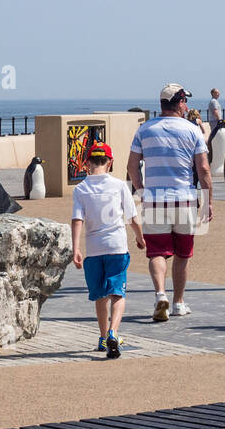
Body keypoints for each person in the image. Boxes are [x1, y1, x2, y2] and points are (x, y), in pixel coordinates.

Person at [127, 83, 212, 322]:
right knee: (183, 254)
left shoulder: (144, 130)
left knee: (157, 252)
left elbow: (131, 167)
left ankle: (159, 294)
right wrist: (208, 202)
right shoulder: (192, 130)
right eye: (186, 102)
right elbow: (203, 170)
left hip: (154, 200)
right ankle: (178, 303)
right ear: (181, 102)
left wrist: (142, 191)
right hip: (185, 199)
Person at [71, 142, 144, 358]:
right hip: (116, 247)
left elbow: (77, 220)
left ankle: (103, 338)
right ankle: (113, 332)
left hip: (93, 249)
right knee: (117, 293)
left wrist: (75, 248)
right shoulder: (119, 185)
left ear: (87, 162)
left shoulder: (80, 189)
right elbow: (132, 217)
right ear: (110, 162)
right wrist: (139, 237)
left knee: (100, 295)